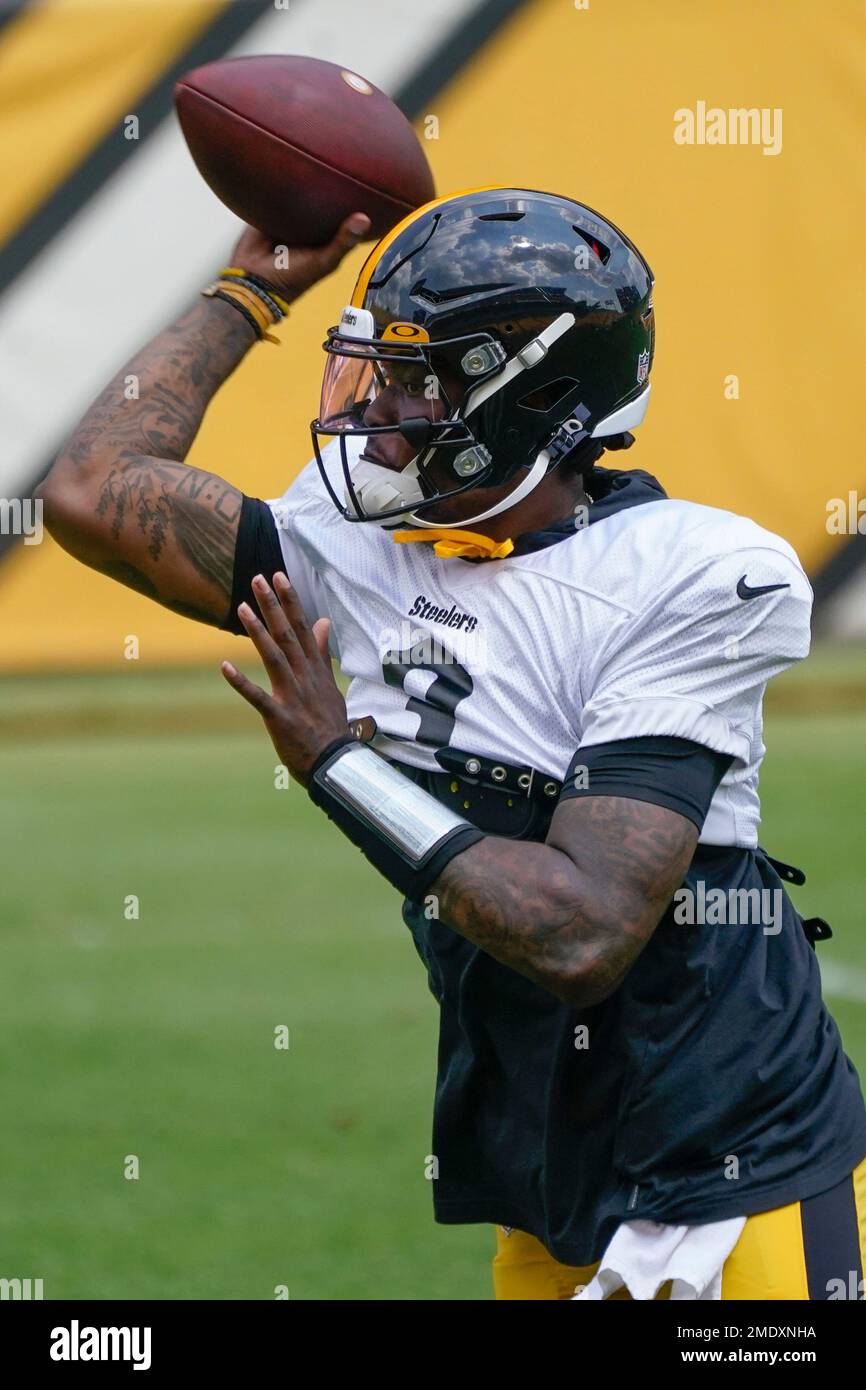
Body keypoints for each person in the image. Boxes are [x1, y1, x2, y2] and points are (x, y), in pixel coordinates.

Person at [37, 187, 866, 1300]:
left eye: (419, 381)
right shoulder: (361, 545)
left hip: (734, 1159)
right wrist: (252, 289)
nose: (377, 407)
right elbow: (91, 492)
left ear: (542, 401)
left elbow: (583, 931)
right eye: (377, 370)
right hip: (543, 1161)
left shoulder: (690, 574)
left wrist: (340, 767)